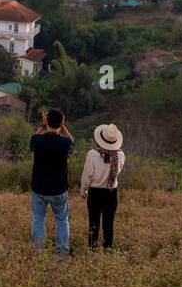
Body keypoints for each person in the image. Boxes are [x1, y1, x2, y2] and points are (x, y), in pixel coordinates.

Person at [29, 108, 73, 256]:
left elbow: (33, 137)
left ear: (47, 122)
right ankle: (62, 252)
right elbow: (71, 141)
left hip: (39, 188)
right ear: (61, 123)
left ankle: (38, 251)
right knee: (62, 220)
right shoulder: (64, 143)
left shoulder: (37, 141)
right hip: (59, 188)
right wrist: (63, 125)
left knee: (38, 219)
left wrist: (43, 125)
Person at [80, 123, 125, 250]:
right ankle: (107, 249)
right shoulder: (120, 155)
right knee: (108, 223)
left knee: (93, 222)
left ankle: (92, 248)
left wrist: (84, 190)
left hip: (95, 192)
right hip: (111, 192)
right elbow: (118, 171)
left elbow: (87, 175)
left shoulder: (92, 154)